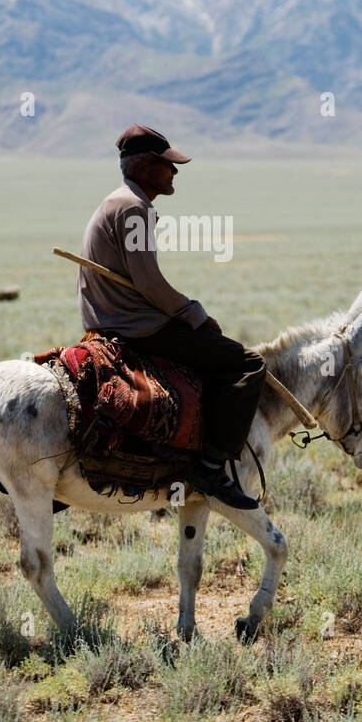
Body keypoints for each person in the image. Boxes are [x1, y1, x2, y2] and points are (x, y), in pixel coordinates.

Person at [77, 124, 266, 510]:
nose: (174, 172)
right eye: (167, 165)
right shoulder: (134, 208)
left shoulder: (116, 201)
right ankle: (211, 467)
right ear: (145, 167)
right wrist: (193, 313)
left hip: (112, 318)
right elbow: (149, 283)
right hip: (136, 326)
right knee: (246, 363)